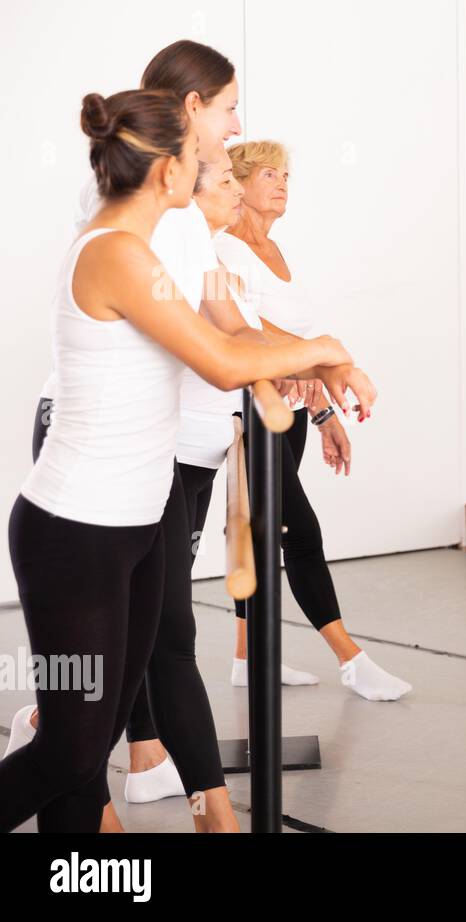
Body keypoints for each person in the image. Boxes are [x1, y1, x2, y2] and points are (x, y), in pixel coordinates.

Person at [0, 87, 357, 832]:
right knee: (68, 753)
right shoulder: (115, 254)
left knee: (91, 742)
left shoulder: (155, 248)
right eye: (201, 162)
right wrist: (325, 351)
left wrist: (310, 373)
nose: (211, 175)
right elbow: (224, 360)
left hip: (135, 522)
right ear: (166, 171)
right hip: (76, 530)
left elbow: (234, 332)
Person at [214, 140, 410, 701]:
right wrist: (330, 361)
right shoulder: (221, 252)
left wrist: (324, 413)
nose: (281, 185)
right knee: (300, 535)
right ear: (238, 183)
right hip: (248, 416)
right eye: (268, 174)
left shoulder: (275, 252)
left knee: (258, 539)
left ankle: (246, 661)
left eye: (286, 176)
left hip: (293, 416)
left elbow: (294, 349)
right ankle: (352, 660)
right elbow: (245, 331)